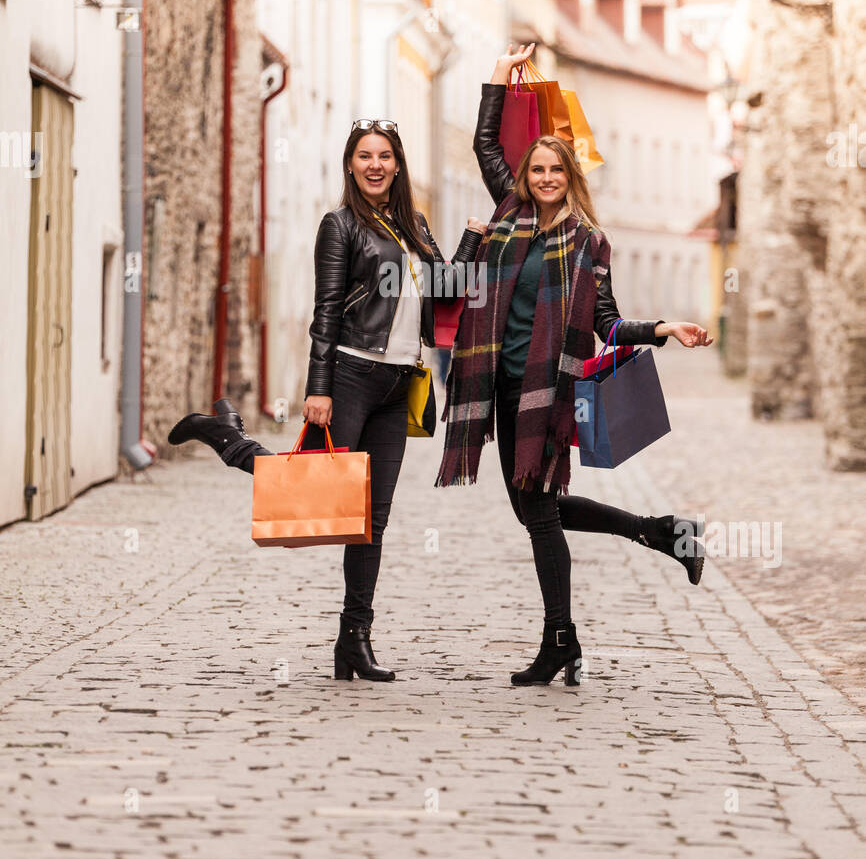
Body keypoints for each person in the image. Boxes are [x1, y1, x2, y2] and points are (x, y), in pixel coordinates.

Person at [435, 44, 713, 688]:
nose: (544, 178)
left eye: (554, 169)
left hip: (548, 389)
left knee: (536, 512)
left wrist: (664, 329)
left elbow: (606, 325)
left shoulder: (589, 242)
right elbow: (485, 148)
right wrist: (496, 83)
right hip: (499, 386)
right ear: (525, 175)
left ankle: (559, 641)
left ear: (569, 175)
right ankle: (664, 533)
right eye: (535, 168)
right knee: (537, 506)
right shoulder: (509, 216)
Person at [169, 118, 485, 681]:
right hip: (352, 375)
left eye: (384, 155)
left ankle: (354, 640)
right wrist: (318, 388)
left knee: (372, 519)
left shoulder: (413, 223)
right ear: (350, 164)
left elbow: (446, 287)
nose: (374, 165)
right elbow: (327, 311)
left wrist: (471, 238)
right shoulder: (339, 226)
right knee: (313, 490)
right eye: (364, 155)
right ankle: (230, 441)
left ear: (398, 164)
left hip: (401, 382)